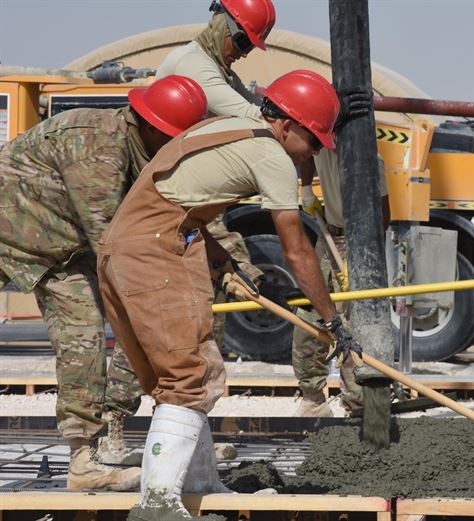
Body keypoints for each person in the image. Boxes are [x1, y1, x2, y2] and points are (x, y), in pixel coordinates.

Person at [97, 69, 364, 521]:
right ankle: (156, 506)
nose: (314, 153)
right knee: (190, 376)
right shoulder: (272, 156)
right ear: (288, 125)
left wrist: (225, 262)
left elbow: (177, 202)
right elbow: (297, 251)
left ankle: (198, 485)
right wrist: (332, 321)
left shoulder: (223, 126)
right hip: (155, 252)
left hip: (125, 249)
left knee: (179, 379)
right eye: (315, 141)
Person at [0, 75, 208, 490]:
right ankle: (85, 458)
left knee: (86, 334)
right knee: (87, 332)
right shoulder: (99, 149)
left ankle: (84, 459)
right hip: (17, 227)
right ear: (150, 125)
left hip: (57, 240)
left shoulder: (141, 148)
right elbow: (112, 243)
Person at [157, 0, 275, 343]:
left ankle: (198, 361)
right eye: (242, 43)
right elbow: (251, 116)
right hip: (172, 195)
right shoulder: (194, 65)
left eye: (251, 47)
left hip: (188, 191)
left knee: (220, 272)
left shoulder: (214, 66)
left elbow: (258, 106)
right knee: (226, 266)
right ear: (223, 25)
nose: (244, 53)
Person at [295, 140, 388, 416]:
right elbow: (306, 155)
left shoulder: (369, 161)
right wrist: (307, 188)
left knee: (351, 326)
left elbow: (385, 215)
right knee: (309, 315)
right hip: (328, 234)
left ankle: (357, 405)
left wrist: (360, 256)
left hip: (356, 239)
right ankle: (312, 399)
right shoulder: (319, 142)